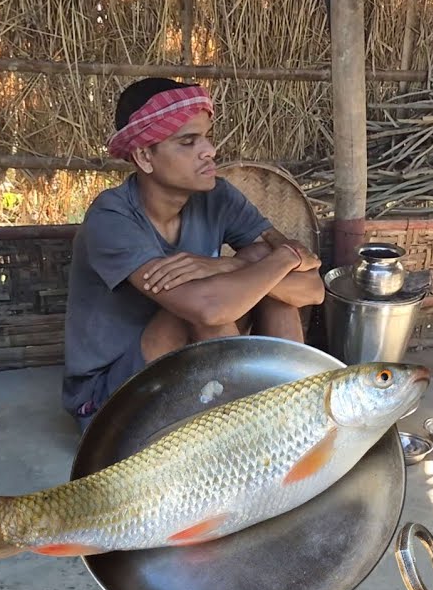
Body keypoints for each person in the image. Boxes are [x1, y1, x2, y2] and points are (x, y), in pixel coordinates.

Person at [62, 78, 325, 431]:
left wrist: (228, 264)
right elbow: (209, 309)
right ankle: (249, 429)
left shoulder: (218, 196)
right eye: (188, 142)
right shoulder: (111, 218)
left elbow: (314, 290)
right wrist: (277, 260)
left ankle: (292, 412)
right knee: (215, 302)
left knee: (271, 289)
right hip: (113, 396)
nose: (209, 151)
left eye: (206, 137)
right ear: (144, 156)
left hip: (181, 369)